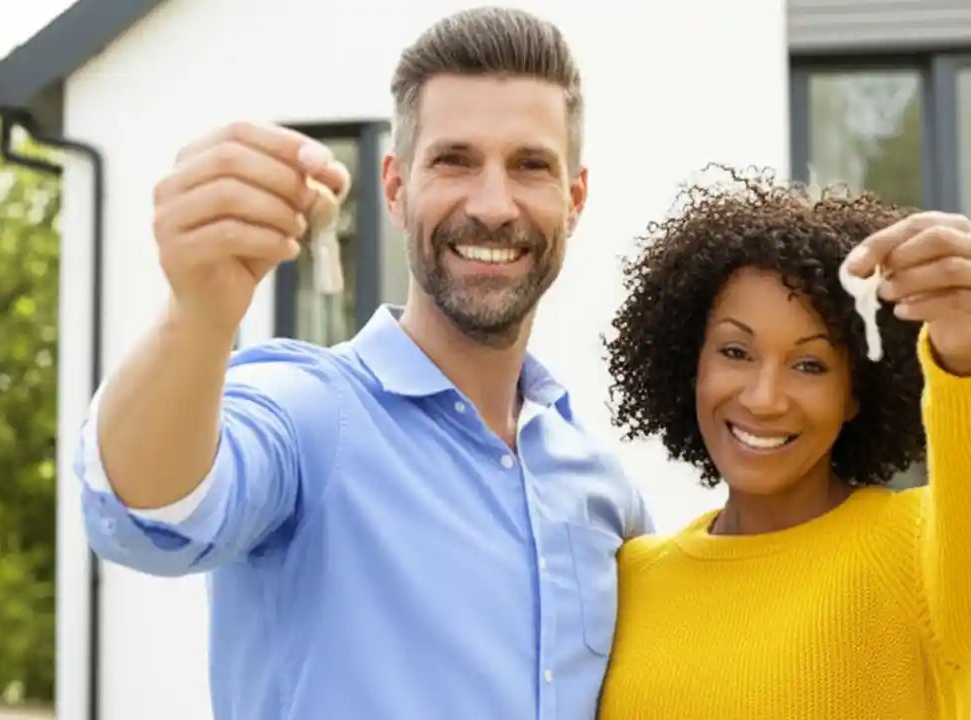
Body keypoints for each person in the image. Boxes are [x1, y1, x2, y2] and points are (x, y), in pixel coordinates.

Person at [76, 7, 651, 719]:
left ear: (575, 199)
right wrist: (197, 313)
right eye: (454, 160)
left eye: (529, 166)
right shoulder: (310, 415)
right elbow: (150, 509)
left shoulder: (602, 488)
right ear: (396, 188)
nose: (493, 205)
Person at [596, 167, 971, 719]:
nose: (764, 398)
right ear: (692, 366)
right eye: (735, 352)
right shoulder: (631, 579)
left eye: (809, 364)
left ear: (855, 393)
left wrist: (966, 346)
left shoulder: (917, 556)